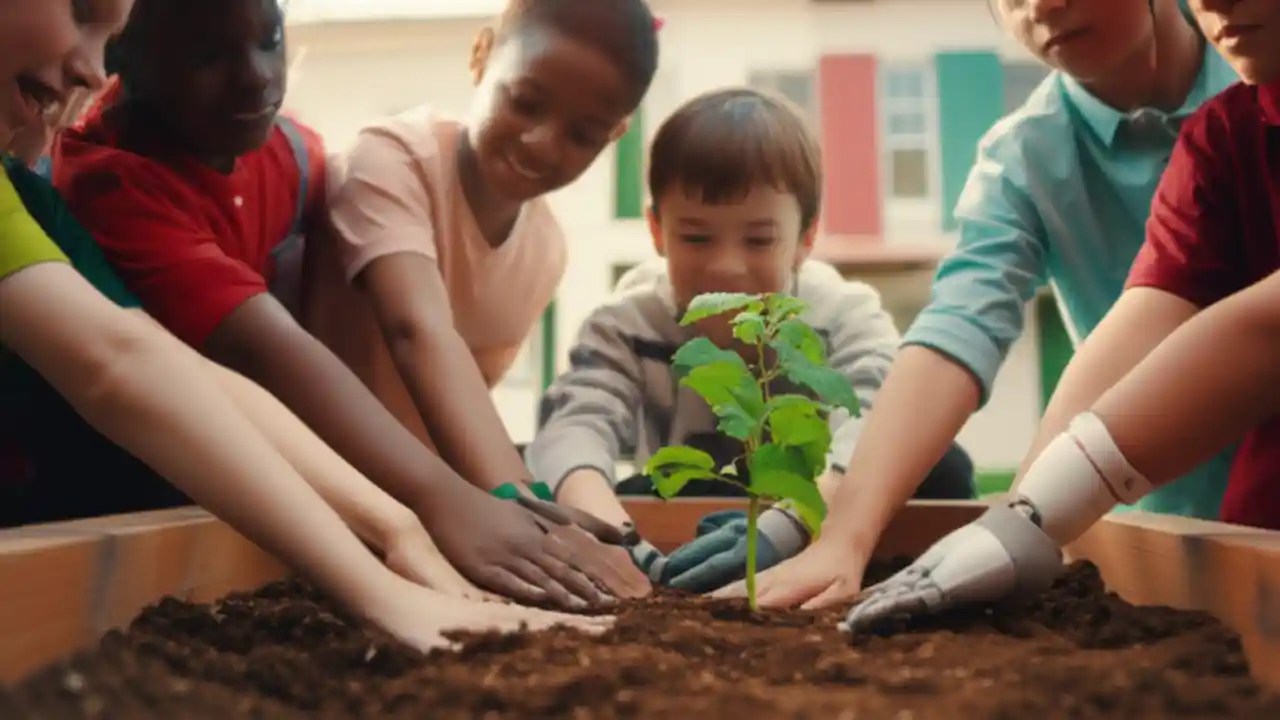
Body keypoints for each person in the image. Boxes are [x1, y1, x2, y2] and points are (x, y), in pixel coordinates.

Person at [0, 0, 605, 653]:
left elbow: (163, 361)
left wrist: (400, 530)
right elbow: (119, 362)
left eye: (106, 33)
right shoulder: (110, 183)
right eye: (81, 11)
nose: (91, 71)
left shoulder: (290, 156)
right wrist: (391, 575)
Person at [733, 0, 1240, 610]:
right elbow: (956, 329)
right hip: (1145, 527)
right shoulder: (1025, 156)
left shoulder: (1257, 73)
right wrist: (843, 533)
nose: (1044, 7)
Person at [526, 88, 976, 592]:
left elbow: (881, 416)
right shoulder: (627, 326)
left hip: (828, 502)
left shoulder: (844, 316)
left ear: (806, 237)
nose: (726, 266)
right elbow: (573, 426)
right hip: (691, 513)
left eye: (759, 240)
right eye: (696, 237)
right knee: (648, 489)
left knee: (941, 466)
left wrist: (793, 525)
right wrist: (621, 541)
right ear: (657, 230)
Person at [304, 0, 660, 499]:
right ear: (481, 55)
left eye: (581, 135)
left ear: (614, 136)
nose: (541, 142)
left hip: (430, 503)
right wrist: (518, 503)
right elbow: (417, 332)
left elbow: (464, 409)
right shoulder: (390, 164)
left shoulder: (546, 249)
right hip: (311, 484)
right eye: (525, 102)